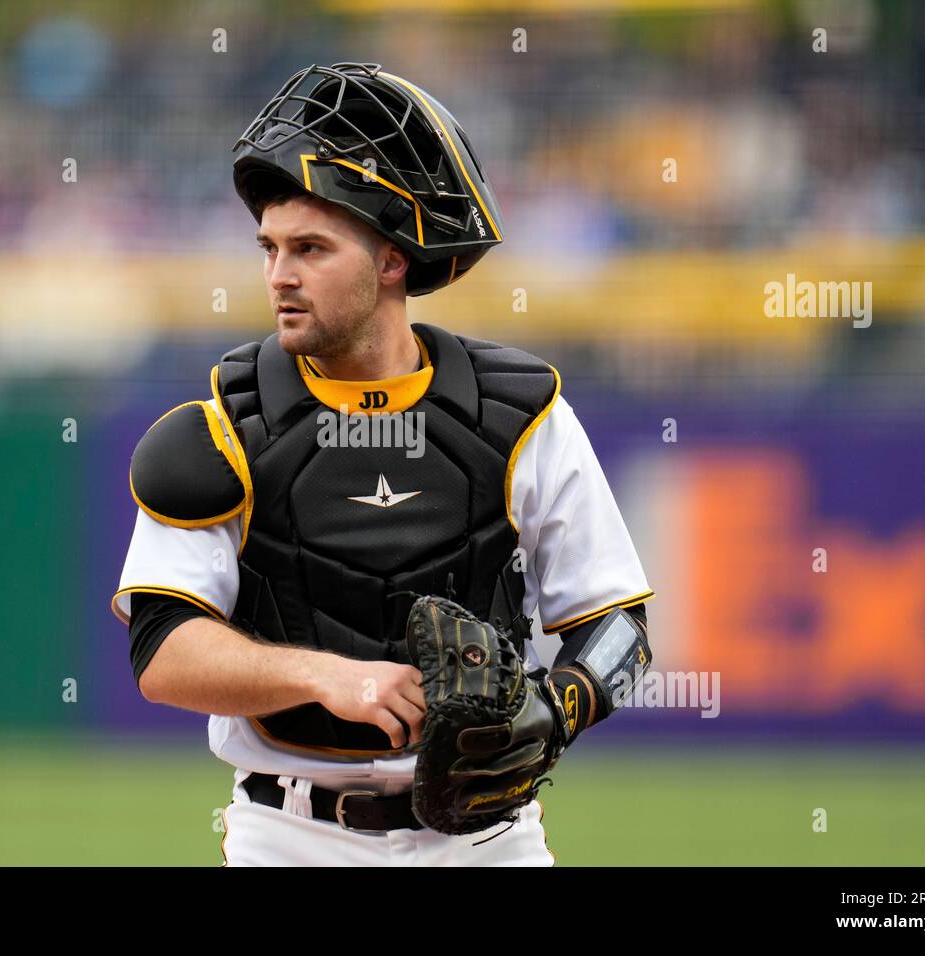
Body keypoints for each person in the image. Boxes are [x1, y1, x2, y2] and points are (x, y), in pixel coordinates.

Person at [111, 63, 654, 866]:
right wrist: (328, 677)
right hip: (288, 838)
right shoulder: (225, 426)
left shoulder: (521, 415)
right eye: (269, 248)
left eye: (310, 249)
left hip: (487, 845)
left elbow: (621, 629)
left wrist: (555, 709)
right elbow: (162, 653)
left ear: (393, 260)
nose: (279, 275)